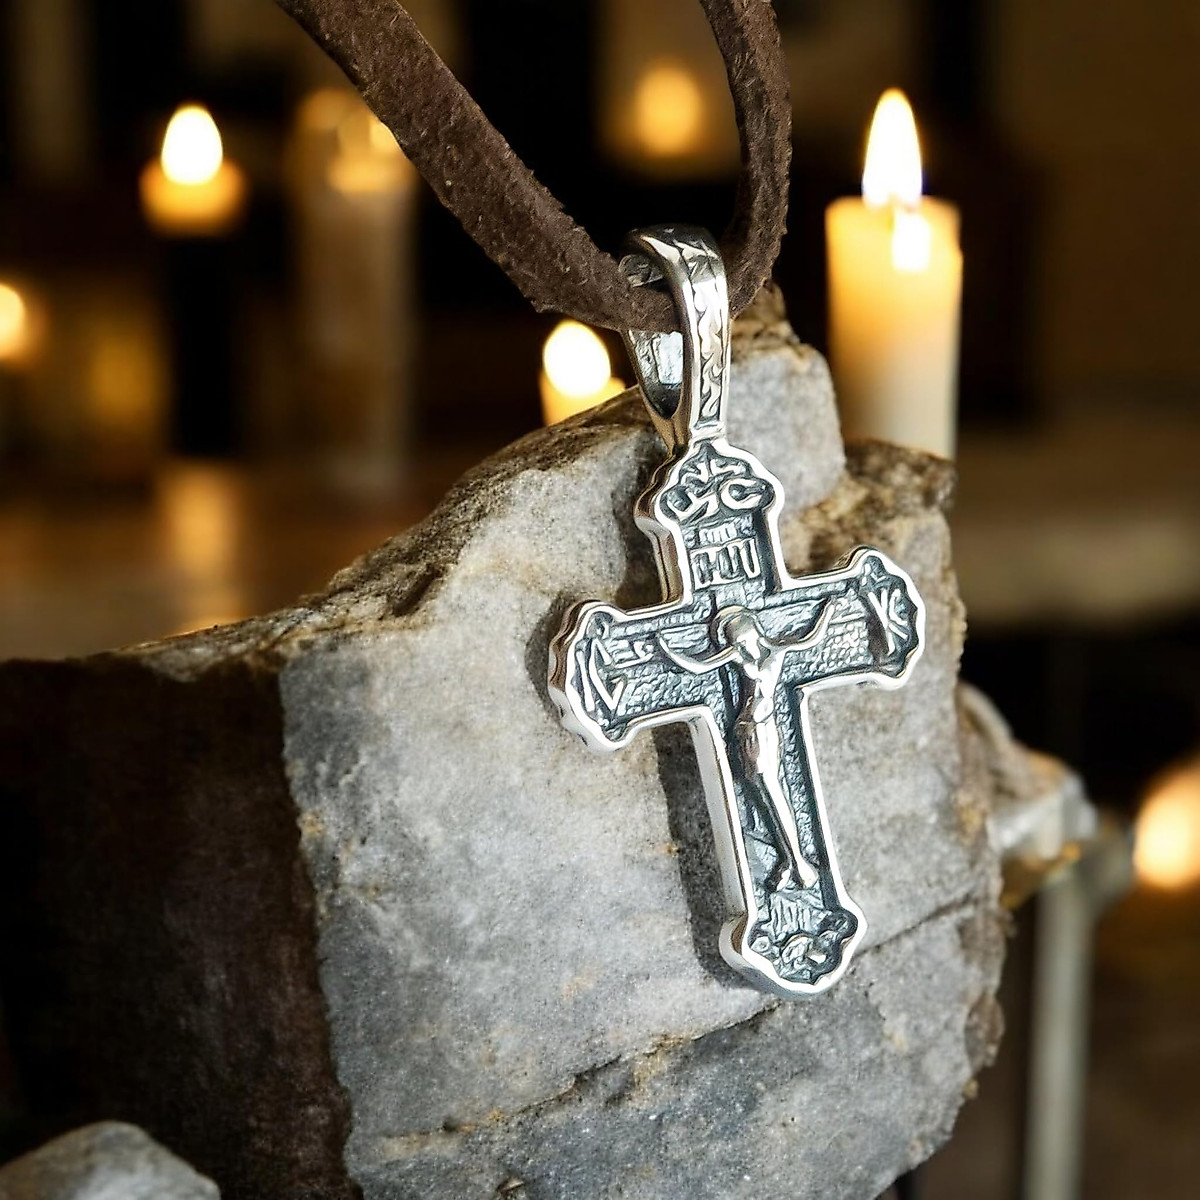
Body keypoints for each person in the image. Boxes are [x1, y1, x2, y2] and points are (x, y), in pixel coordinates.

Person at [657, 602, 834, 892]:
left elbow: (810, 637)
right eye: (734, 642)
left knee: (772, 790)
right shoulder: (738, 656)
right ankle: (789, 860)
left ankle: (799, 863)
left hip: (763, 731)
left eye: (740, 639)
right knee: (760, 794)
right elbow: (699, 665)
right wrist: (665, 650)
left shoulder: (774, 653)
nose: (737, 646)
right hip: (745, 734)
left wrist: (829, 608)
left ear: (754, 632)